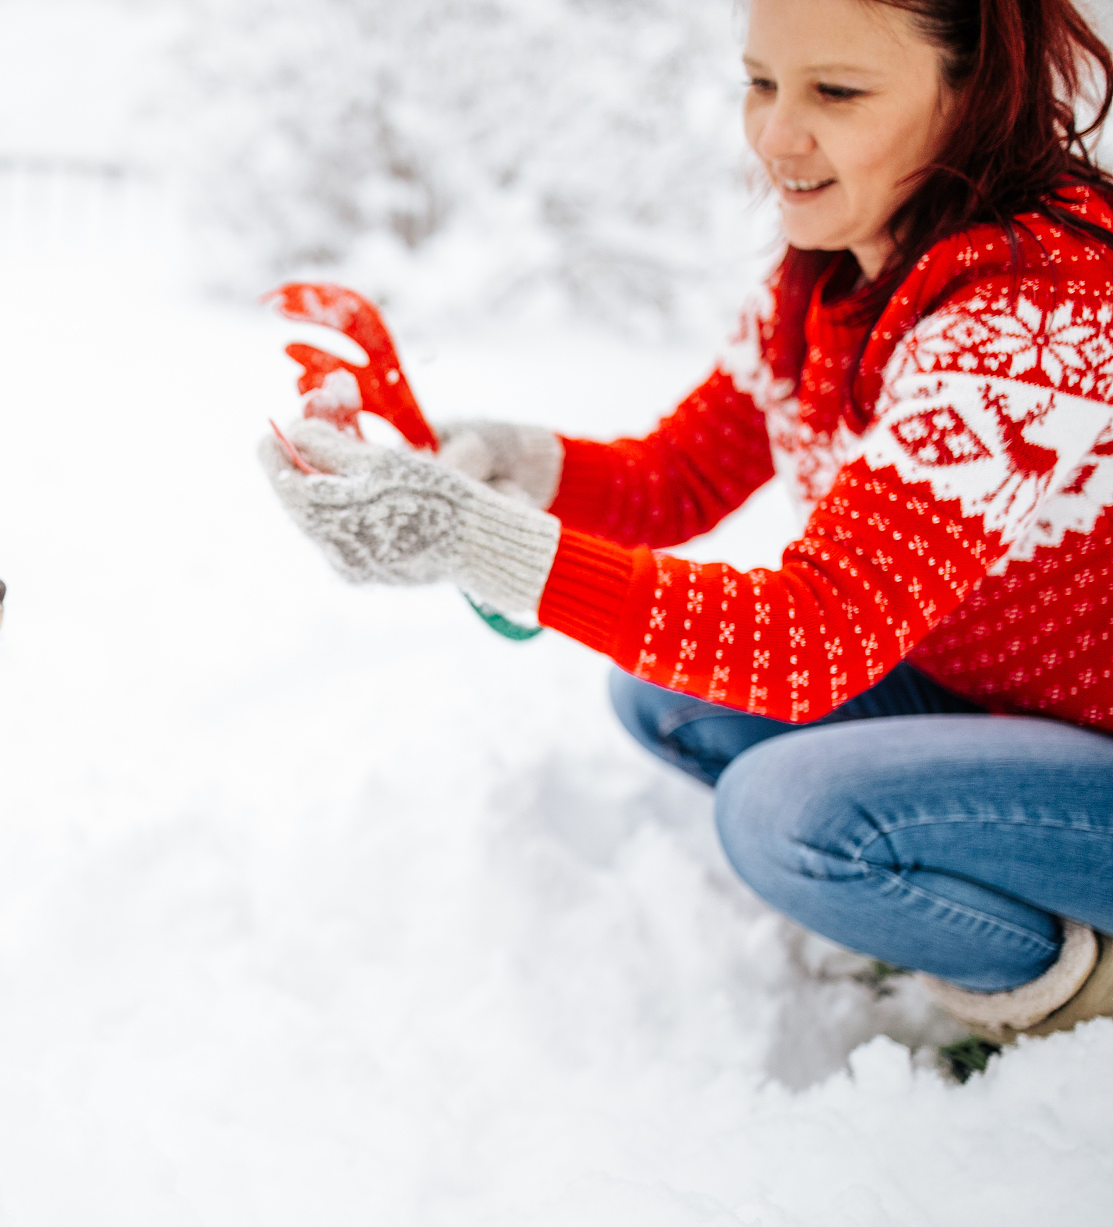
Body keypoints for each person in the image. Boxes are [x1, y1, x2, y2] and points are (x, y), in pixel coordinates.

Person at [260, 0, 1113, 1052]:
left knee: (786, 814)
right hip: (1007, 707)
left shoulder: (1035, 311)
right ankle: (959, 870)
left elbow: (812, 639)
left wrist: (467, 539)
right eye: (760, 82)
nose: (773, 135)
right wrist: (497, 467)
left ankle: (1073, 994)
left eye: (833, 93)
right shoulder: (839, 270)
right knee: (663, 693)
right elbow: (677, 477)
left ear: (973, 95)